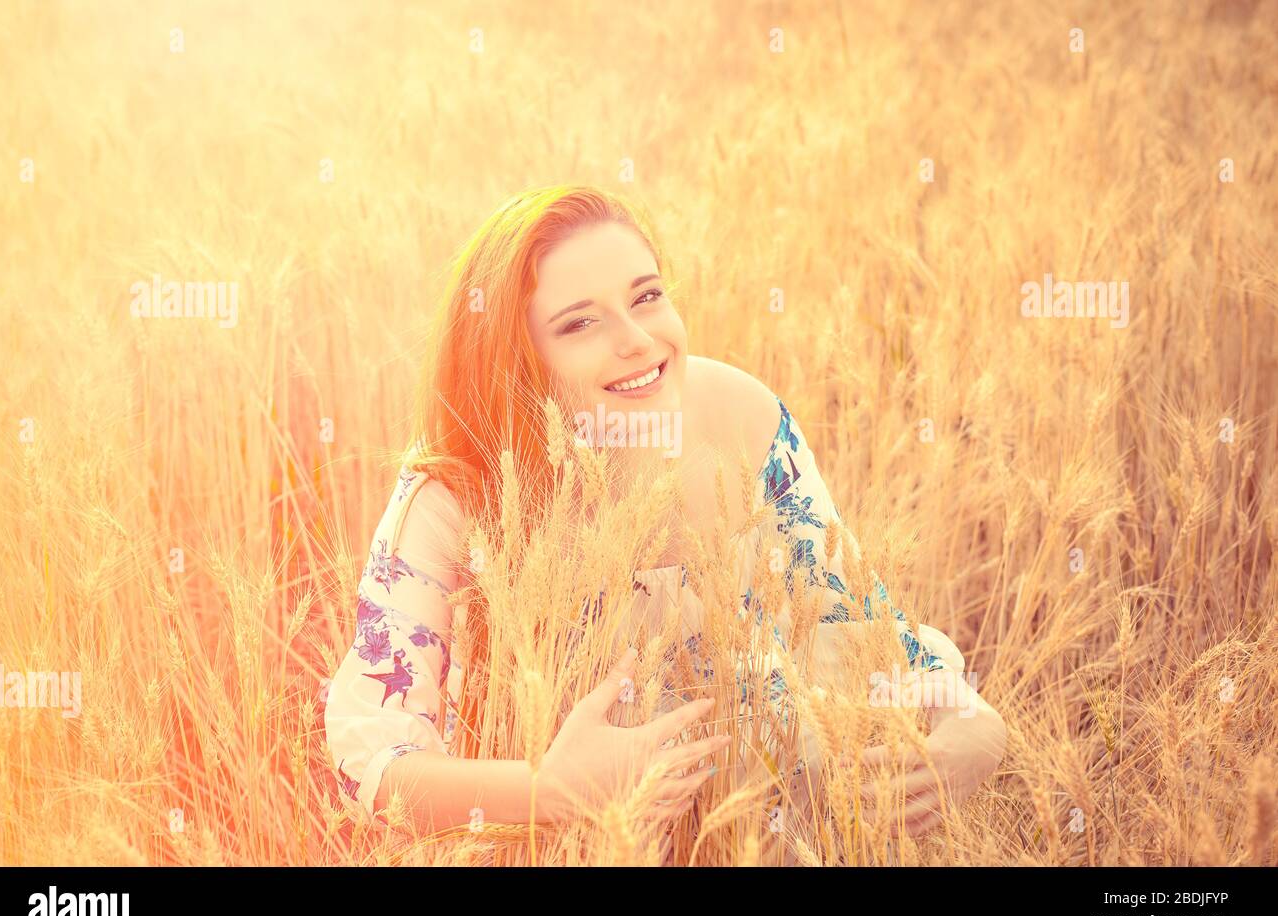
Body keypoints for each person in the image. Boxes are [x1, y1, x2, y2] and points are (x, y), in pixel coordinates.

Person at [323, 184, 1006, 850]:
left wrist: (977, 728)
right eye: (580, 323)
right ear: (518, 363)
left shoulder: (743, 416)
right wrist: (548, 790)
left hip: (765, 826)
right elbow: (376, 762)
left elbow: (859, 629)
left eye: (647, 297)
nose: (638, 340)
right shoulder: (457, 489)